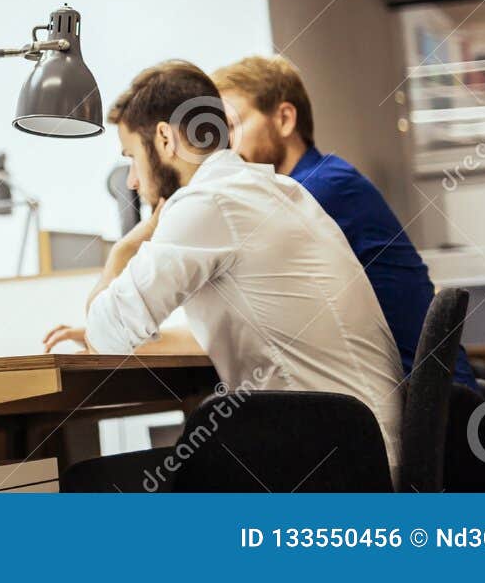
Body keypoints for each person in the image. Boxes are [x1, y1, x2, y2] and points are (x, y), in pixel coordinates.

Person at [44, 60, 403, 467]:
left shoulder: (207, 203)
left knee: (92, 479)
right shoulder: (275, 189)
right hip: (365, 450)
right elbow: (234, 333)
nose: (131, 180)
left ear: (163, 138)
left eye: (131, 156)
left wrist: (122, 251)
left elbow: (106, 337)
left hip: (327, 464)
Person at [213, 54, 477, 388]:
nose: (226, 149)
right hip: (421, 398)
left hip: (426, 408)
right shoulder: (321, 180)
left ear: (284, 119)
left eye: (233, 127)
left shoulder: (318, 190)